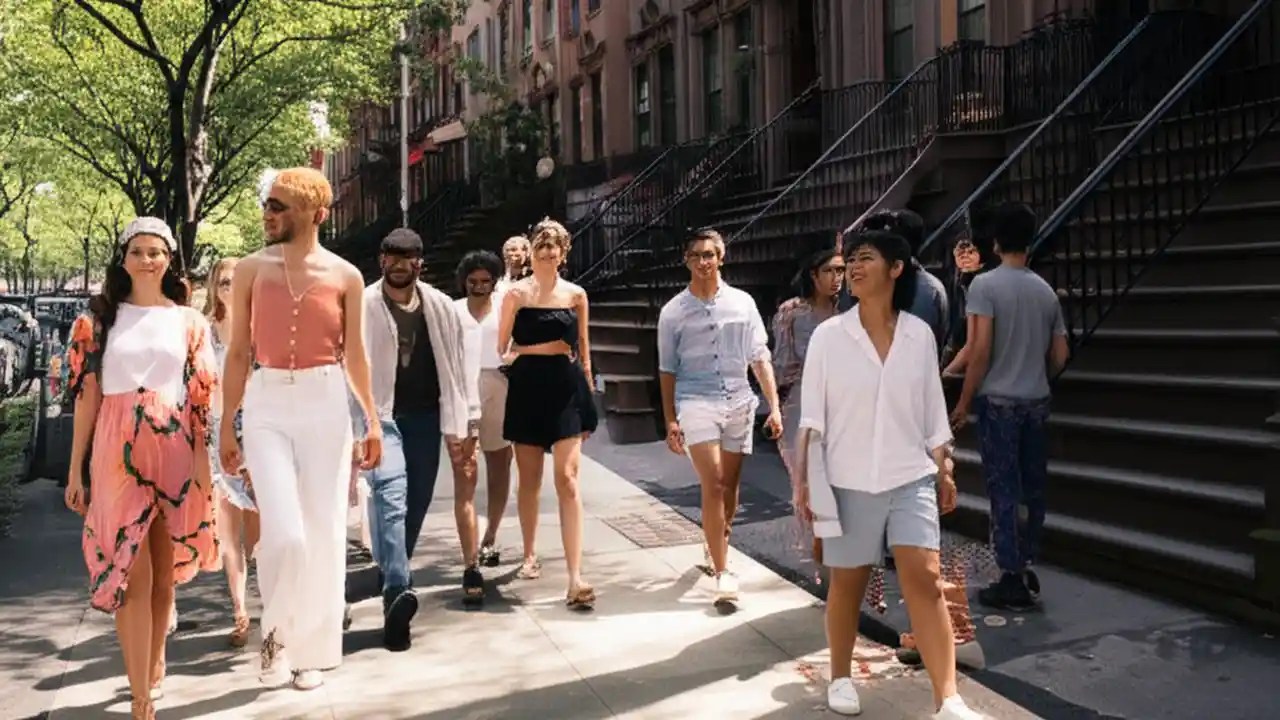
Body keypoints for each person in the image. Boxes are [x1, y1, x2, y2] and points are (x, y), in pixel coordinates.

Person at [795, 230, 985, 720]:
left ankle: (948, 699)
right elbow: (812, 421)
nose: (853, 268)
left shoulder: (919, 335)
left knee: (924, 578)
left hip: (910, 476)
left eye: (865, 259)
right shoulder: (829, 338)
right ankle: (840, 677)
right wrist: (806, 487)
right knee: (848, 582)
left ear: (895, 268)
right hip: (847, 477)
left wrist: (945, 466)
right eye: (850, 261)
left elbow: (931, 413)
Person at [219, 167, 382, 691]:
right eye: (267, 204)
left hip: (326, 400)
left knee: (324, 531)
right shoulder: (250, 269)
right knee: (285, 535)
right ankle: (274, 637)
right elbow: (239, 352)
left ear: (316, 213)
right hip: (267, 402)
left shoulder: (346, 276)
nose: (269, 213)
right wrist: (228, 424)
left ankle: (308, 651)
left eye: (280, 206)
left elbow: (355, 354)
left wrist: (371, 419)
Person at [63, 217, 221, 720]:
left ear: (169, 258)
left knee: (161, 577)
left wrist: (203, 468)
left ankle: (153, 668)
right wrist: (75, 470)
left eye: (156, 251)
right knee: (129, 571)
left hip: (172, 445)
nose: (147, 259)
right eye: (137, 251)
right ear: (123, 258)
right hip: (115, 453)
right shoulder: (97, 321)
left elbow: (200, 404)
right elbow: (86, 398)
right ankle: (138, 696)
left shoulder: (189, 322)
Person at [949, 202, 1070, 610]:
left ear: (996, 242)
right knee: (1033, 487)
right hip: (1036, 401)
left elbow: (978, 349)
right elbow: (1060, 355)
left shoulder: (984, 286)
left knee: (1003, 488)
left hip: (999, 402)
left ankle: (1010, 573)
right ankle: (1026, 558)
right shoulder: (1045, 292)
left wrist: (963, 398)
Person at [658, 228, 783, 605]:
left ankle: (718, 540)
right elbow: (666, 369)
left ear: (721, 257)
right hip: (696, 400)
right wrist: (671, 420)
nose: (702, 262)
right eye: (695, 255)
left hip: (739, 399)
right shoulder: (673, 312)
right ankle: (723, 572)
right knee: (712, 484)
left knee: (729, 487)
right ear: (686, 261)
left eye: (709, 255)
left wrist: (773, 405)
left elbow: (759, 356)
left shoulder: (743, 303)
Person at [362, 227, 476, 634]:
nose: (398, 264)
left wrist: (464, 426)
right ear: (381, 261)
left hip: (427, 417)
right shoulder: (362, 304)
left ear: (419, 263)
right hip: (381, 417)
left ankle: (393, 573)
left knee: (417, 502)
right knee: (391, 499)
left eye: (406, 257)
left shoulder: (442, 307)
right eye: (390, 256)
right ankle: (398, 589)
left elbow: (459, 370)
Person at [498, 218, 598, 609]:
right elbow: (503, 349)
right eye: (541, 249)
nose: (547, 256)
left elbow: (584, 352)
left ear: (563, 254)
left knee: (568, 478)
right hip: (526, 388)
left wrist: (588, 397)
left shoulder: (576, 295)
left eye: (553, 250)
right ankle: (528, 553)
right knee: (530, 480)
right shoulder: (516, 295)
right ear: (532, 253)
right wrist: (546, 348)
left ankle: (576, 577)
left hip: (567, 389)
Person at [203, 257, 261, 648]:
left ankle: (265, 603)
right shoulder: (203, 332)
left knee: (258, 531)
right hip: (213, 433)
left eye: (237, 281)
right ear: (214, 286)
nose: (230, 286)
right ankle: (240, 612)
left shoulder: (260, 328)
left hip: (257, 434)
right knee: (227, 534)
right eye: (224, 281)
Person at [772, 248, 843, 555]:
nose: (836, 278)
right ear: (814, 275)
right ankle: (819, 555)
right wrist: (774, 406)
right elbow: (780, 361)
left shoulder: (850, 310)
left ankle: (834, 553)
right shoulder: (793, 312)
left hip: (842, 401)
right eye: (829, 271)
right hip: (800, 401)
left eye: (841, 271)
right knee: (806, 482)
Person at [453, 250, 514, 578]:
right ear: (464, 281)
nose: (479, 286)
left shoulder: (505, 307)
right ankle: (471, 546)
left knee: (499, 462)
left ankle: (491, 535)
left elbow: (518, 343)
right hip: (463, 389)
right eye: (473, 281)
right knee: (466, 468)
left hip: (499, 384)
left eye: (485, 281)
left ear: (494, 281)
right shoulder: (453, 310)